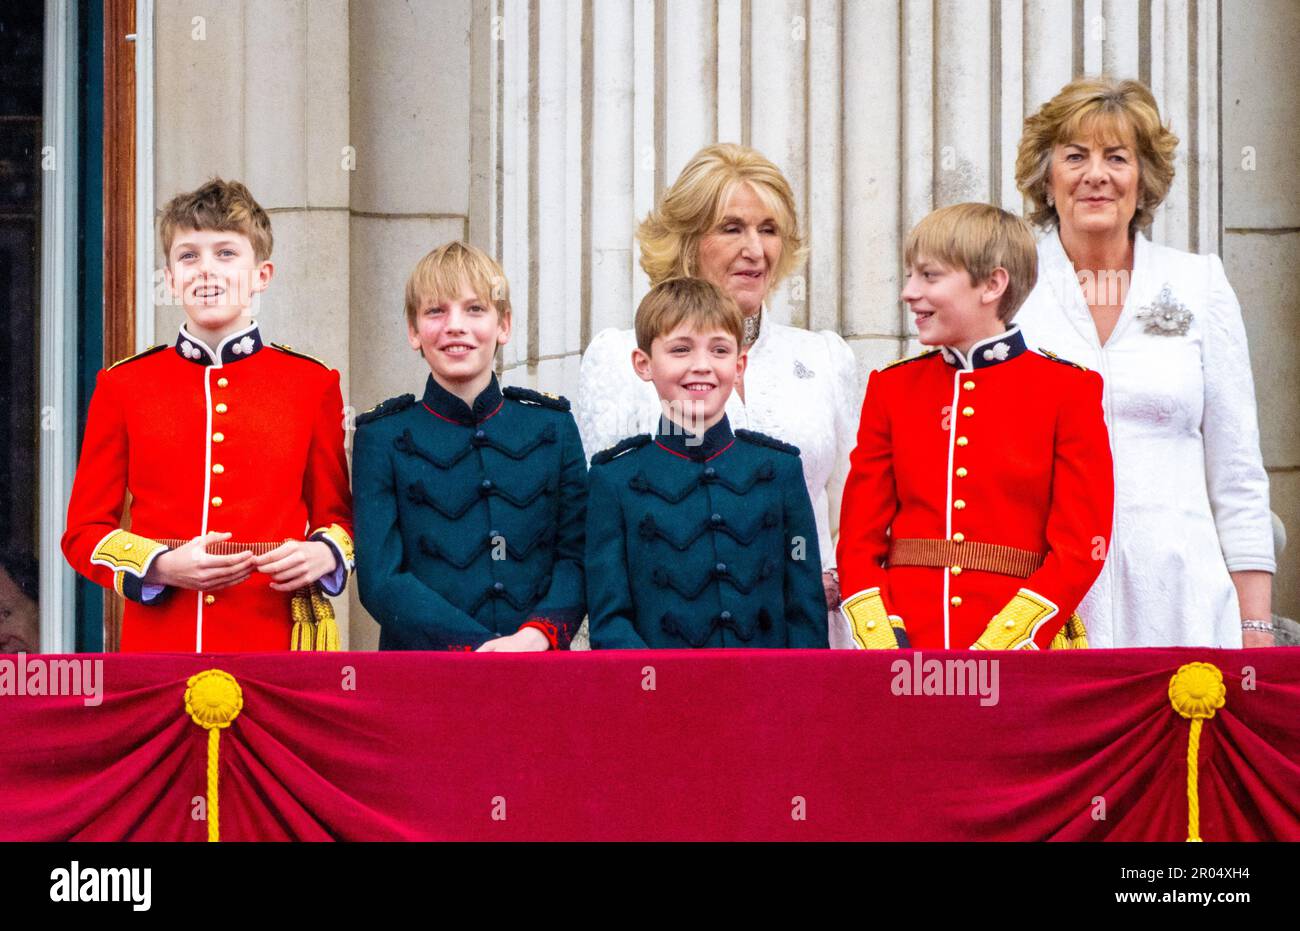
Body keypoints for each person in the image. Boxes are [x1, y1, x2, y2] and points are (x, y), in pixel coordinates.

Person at [1014, 77, 1277, 648]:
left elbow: (1237, 471)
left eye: (1117, 157)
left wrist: (1255, 626)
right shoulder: (1008, 289)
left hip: (1181, 597)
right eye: (1075, 156)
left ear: (1143, 177)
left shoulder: (1198, 282)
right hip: (1044, 603)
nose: (1096, 175)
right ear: (1046, 174)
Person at [575, 144, 861, 645]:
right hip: (663, 644)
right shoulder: (619, 355)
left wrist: (830, 578)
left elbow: (850, 508)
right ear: (688, 240)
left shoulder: (823, 358)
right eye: (732, 228)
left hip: (802, 637)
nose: (756, 249)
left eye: (768, 229)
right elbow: (603, 519)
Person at [62, 179, 354, 652]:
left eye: (225, 253)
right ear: (170, 278)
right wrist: (160, 565)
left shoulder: (312, 384)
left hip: (274, 642)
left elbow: (338, 516)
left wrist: (323, 553)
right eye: (188, 256)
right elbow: (83, 532)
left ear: (262, 274)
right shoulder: (123, 386)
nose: (206, 271)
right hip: (160, 646)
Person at [836, 203, 1114, 650]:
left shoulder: (1068, 390)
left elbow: (1082, 546)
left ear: (992, 284)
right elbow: (858, 539)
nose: (909, 292)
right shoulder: (892, 388)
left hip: (1022, 649)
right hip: (907, 647)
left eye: (929, 276)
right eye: (911, 276)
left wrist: (1008, 641)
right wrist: (883, 637)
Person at [353, 241, 586, 651]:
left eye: (475, 309)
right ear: (413, 331)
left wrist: (534, 637)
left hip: (538, 665)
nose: (455, 326)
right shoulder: (381, 437)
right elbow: (381, 579)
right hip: (425, 678)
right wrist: (475, 649)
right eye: (435, 311)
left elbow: (578, 557)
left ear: (504, 325)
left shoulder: (553, 427)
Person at [585, 277, 828, 649]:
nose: (702, 366)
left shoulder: (780, 472)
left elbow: (804, 611)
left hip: (768, 698)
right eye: (681, 350)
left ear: (740, 363)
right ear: (643, 364)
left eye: (719, 350)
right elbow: (610, 619)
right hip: (660, 699)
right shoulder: (614, 481)